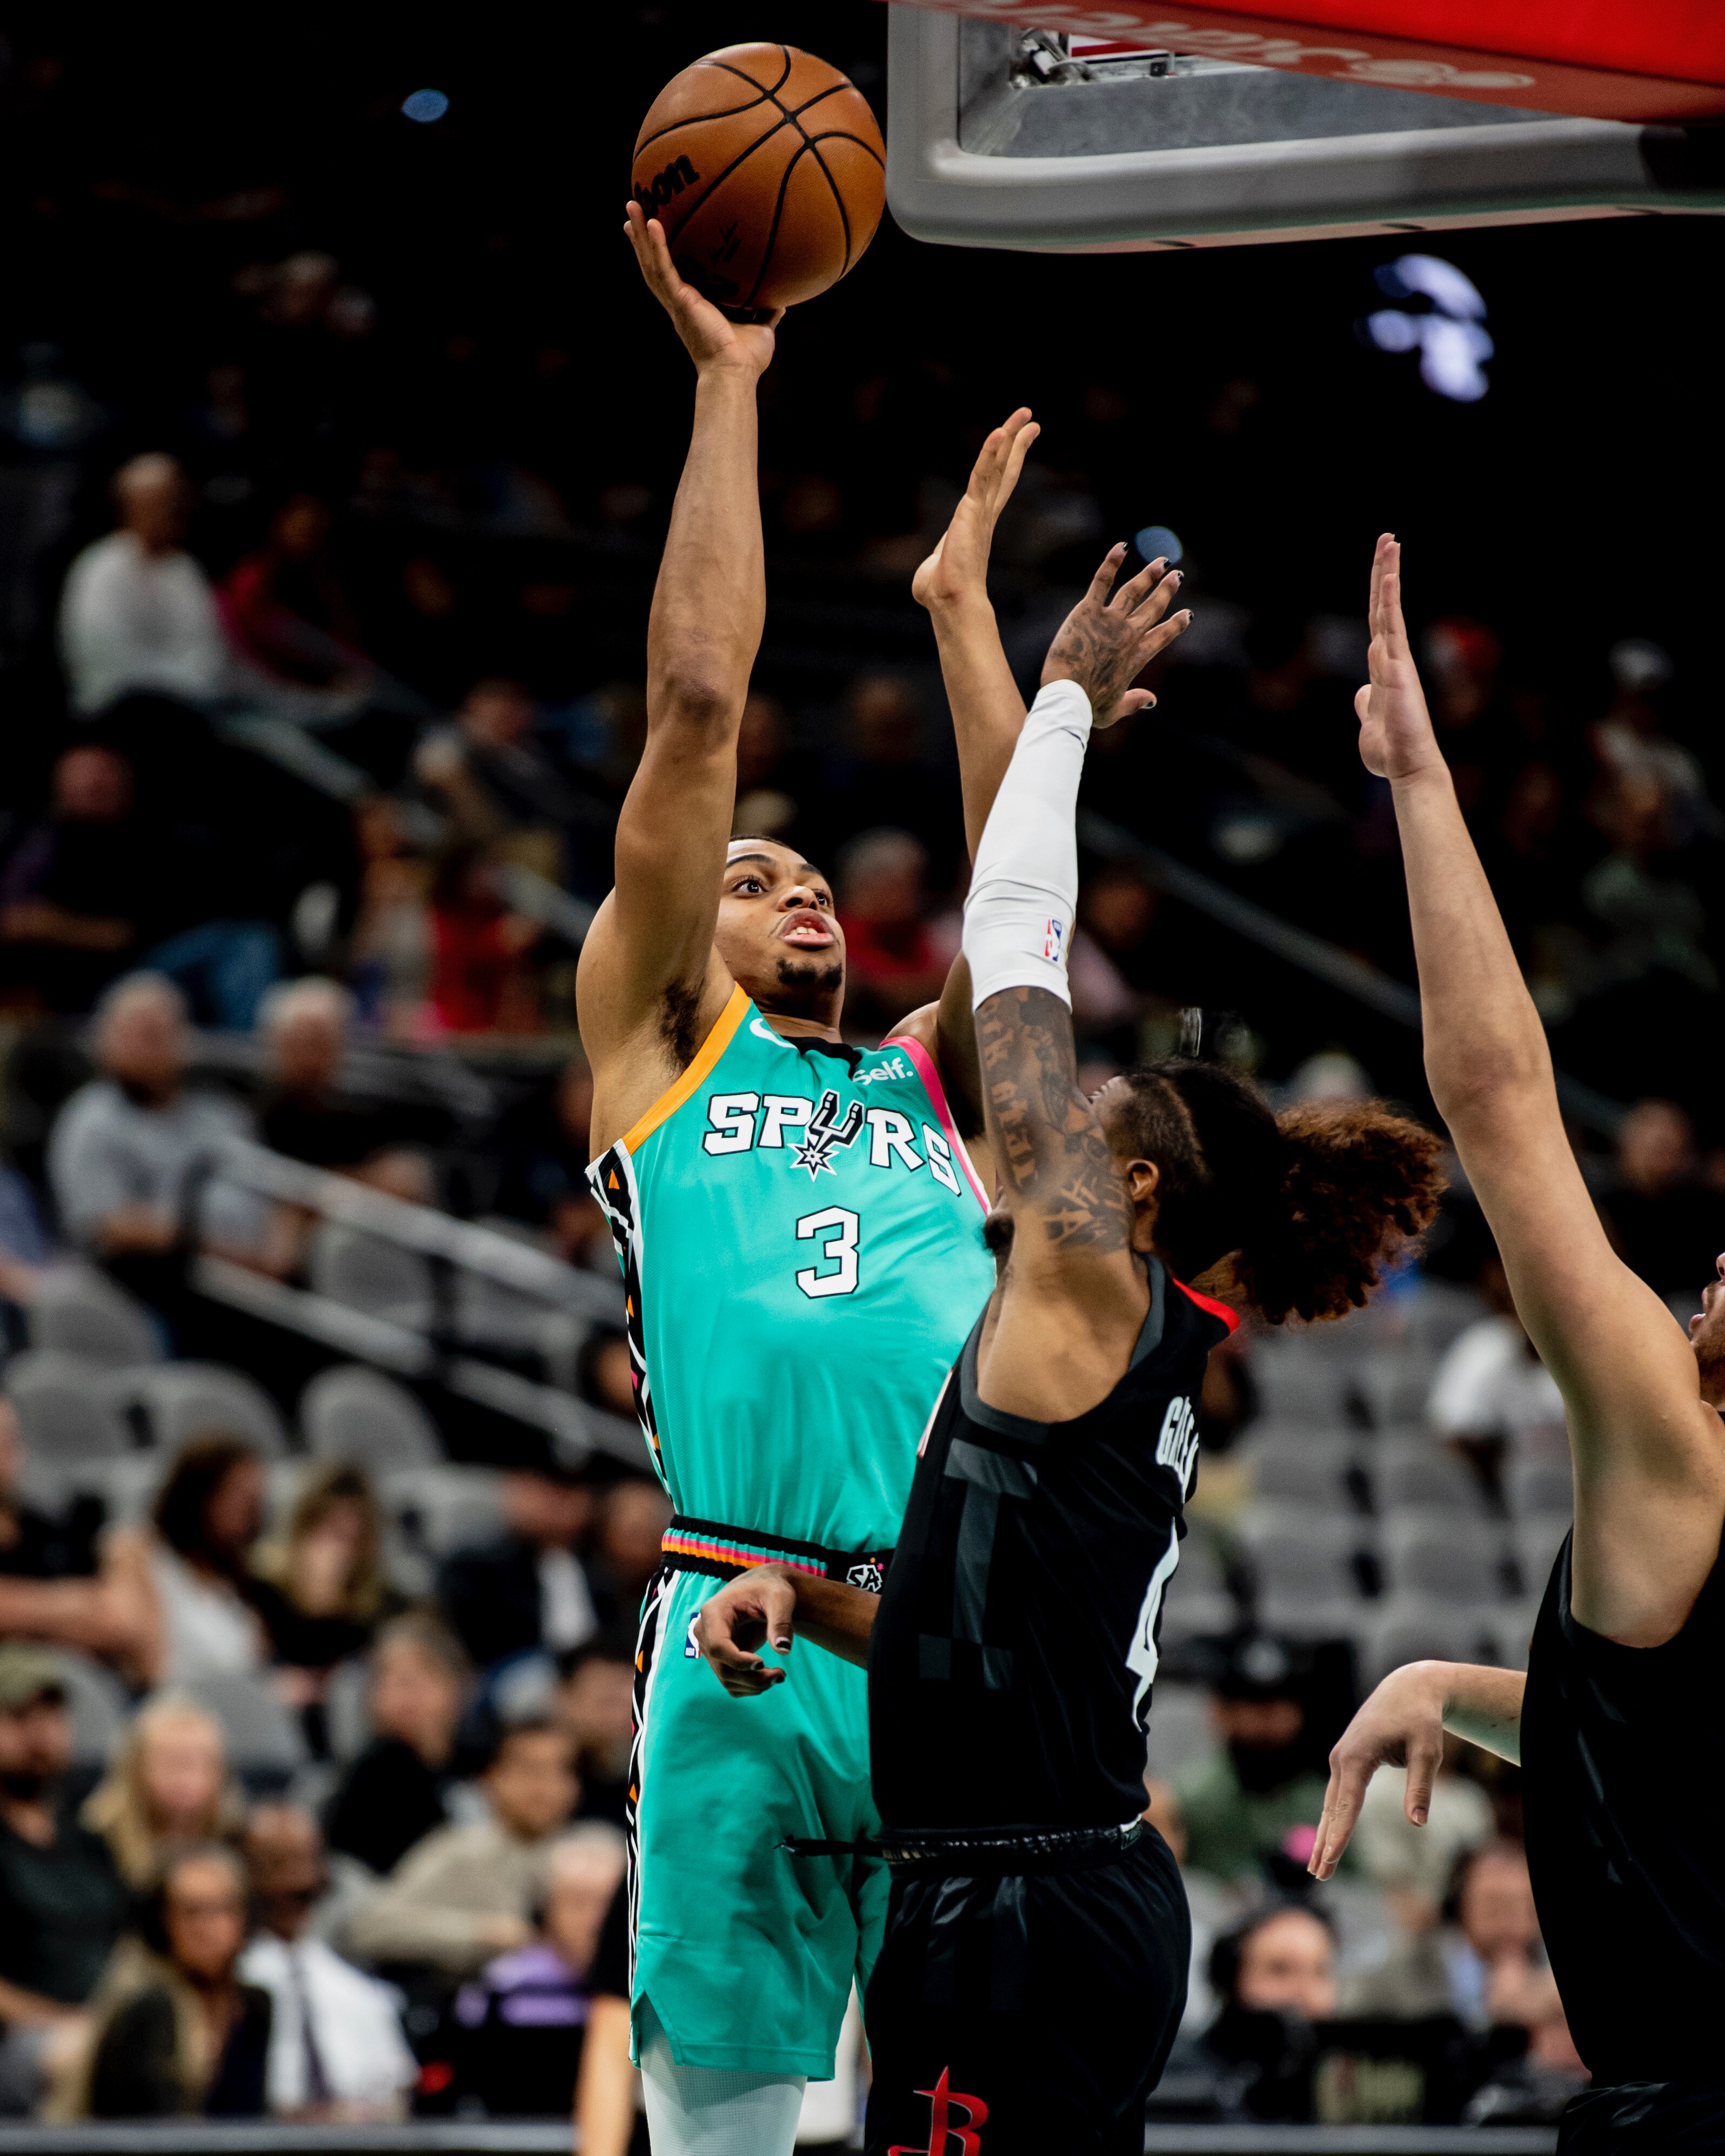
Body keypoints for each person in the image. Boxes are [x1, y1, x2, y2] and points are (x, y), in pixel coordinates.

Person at [693, 557, 1441, 2153]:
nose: (1048, 1126)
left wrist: (1060, 710)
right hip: (1058, 1888)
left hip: (1014, 1919)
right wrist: (807, 1601)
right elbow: (985, 1628)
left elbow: (1016, 944)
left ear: (1136, 1194)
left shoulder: (1091, 1290)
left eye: (1089, 1125)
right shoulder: (1112, 1349)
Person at [575, 206, 1026, 2152]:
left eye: (818, 877)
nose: (801, 892)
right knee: (730, 2138)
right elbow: (697, 706)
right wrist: (728, 385)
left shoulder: (930, 1077)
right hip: (739, 1631)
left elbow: (1024, 899)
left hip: (936, 1657)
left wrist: (961, 618)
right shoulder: (666, 1045)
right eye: (755, 876)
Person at [1306, 536, 1725, 2150]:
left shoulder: (1679, 1451)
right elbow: (1659, 1739)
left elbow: (1495, 1103)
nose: (1707, 1270)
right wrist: (1459, 1687)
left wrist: (1420, 783)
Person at [46, 976, 268, 1315]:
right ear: (106, 1042)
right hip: (146, 1290)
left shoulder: (223, 1114)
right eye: (137, 1034)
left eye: (160, 1033)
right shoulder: (90, 1119)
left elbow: (272, 1193)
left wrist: (279, 1247)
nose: (149, 1047)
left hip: (255, 1285)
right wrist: (213, 1246)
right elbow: (106, 1226)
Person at [346, 1719, 579, 1977]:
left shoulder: (595, 1855)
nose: (545, 1785)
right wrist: (479, 1933)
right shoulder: (461, 1853)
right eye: (529, 1770)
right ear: (490, 1779)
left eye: (561, 1770)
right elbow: (373, 1928)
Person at [0, 1648, 128, 2113]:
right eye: (19, 1717)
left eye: (51, 1716)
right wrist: (65, 2021)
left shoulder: (89, 1838)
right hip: (20, 2043)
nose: (40, 1734)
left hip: (100, 2025)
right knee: (89, 2053)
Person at [58, 1843, 272, 2119]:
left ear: (246, 1918)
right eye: (191, 1912)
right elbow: (147, 2130)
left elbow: (249, 2119)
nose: (207, 1927)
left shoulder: (254, 2006)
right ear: (161, 1923)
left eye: (223, 1909)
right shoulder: (145, 2008)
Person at [237, 1804, 416, 2119]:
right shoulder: (230, 1987)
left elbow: (398, 2090)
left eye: (305, 1862)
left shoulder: (358, 1989)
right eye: (276, 1864)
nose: (295, 1883)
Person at [451, 1822, 626, 2116]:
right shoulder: (502, 1988)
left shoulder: (650, 1988)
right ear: (546, 1909)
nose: (596, 1920)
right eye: (578, 1903)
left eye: (608, 1904)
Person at [57, 456, 235, 716]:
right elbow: (108, 660)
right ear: (129, 506)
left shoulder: (184, 567)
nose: (175, 510)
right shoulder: (101, 567)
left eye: (179, 500)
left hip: (193, 707)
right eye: (162, 502)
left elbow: (209, 648)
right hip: (119, 713)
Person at [104, 1437, 270, 1689]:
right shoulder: (138, 1550)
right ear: (201, 1494)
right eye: (239, 1498)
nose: (250, 1514)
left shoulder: (242, 1579)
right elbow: (150, 1667)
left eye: (255, 1501)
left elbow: (254, 1666)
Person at [248, 1463, 397, 1738]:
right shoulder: (259, 1591)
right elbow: (248, 1671)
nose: (338, 1551)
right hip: (277, 1725)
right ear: (300, 1529)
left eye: (351, 1539)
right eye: (329, 1532)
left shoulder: (378, 1606)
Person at [1170, 1633, 1334, 1883]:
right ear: (1221, 1713)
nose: (1264, 1725)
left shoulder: (1324, 1801)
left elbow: (1356, 1885)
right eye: (1251, 1707)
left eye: (1277, 1707)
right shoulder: (1192, 1799)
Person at [324, 1612, 469, 1877]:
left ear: (457, 1686)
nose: (402, 1697)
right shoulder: (369, 1782)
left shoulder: (480, 1764)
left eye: (415, 1681)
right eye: (386, 1681)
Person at [436, 1458, 598, 1673]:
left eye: (569, 1494)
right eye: (543, 1491)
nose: (556, 1506)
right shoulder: (477, 1567)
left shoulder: (603, 1564)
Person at [81, 1691, 244, 1891]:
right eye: (171, 1763)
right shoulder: (94, 1843)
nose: (184, 1779)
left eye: (198, 1763)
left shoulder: (236, 1839)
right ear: (135, 1769)